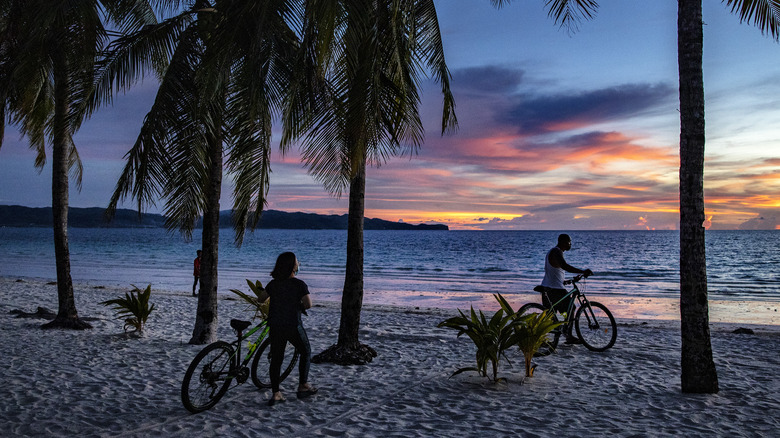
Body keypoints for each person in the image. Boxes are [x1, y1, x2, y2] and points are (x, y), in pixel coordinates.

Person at [259, 252, 317, 406]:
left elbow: (261, 299)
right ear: (292, 266)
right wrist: (297, 305)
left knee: (276, 358)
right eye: (297, 262)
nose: (298, 264)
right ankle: (303, 385)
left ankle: (276, 393)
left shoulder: (273, 284)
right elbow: (308, 304)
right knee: (306, 351)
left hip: (275, 325)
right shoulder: (299, 284)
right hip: (292, 325)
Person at [539, 234, 593, 344]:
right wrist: (582, 271)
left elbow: (555, 272)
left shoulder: (554, 252)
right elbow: (565, 266)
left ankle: (547, 337)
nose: (570, 244)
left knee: (551, 315)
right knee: (571, 308)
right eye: (569, 242)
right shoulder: (556, 251)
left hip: (550, 287)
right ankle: (568, 335)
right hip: (554, 289)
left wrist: (566, 281)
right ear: (563, 242)